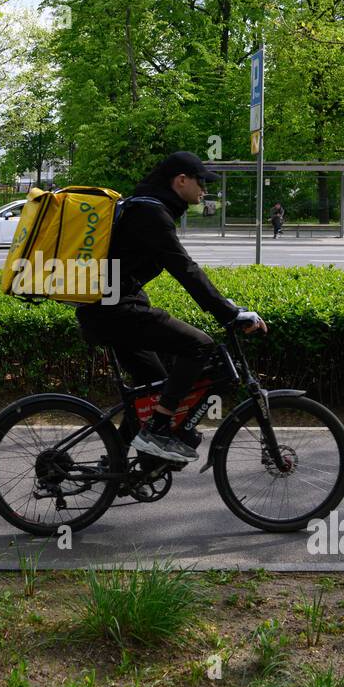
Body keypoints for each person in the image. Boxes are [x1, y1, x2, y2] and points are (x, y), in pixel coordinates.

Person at [75, 151, 267, 463]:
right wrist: (228, 314)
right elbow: (184, 269)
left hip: (109, 309)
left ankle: (119, 464)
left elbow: (173, 268)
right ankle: (159, 431)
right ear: (180, 181)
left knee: (151, 391)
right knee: (200, 346)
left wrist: (225, 304)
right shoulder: (151, 213)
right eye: (201, 181)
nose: (204, 189)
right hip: (113, 312)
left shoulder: (147, 207)